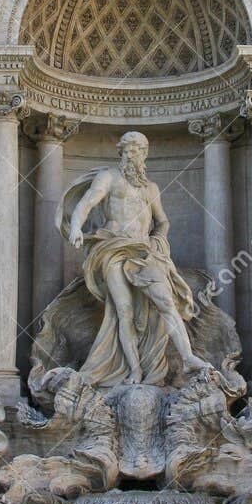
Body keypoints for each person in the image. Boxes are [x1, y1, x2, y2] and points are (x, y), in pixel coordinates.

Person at [59, 131, 208, 386]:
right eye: (127, 150)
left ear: (145, 154)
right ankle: (135, 371)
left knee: (166, 302)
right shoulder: (109, 177)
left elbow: (162, 221)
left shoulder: (151, 189)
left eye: (136, 150)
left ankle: (188, 357)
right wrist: (75, 227)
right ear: (121, 153)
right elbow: (87, 202)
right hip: (113, 248)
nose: (131, 154)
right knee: (124, 311)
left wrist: (158, 240)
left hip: (143, 251)